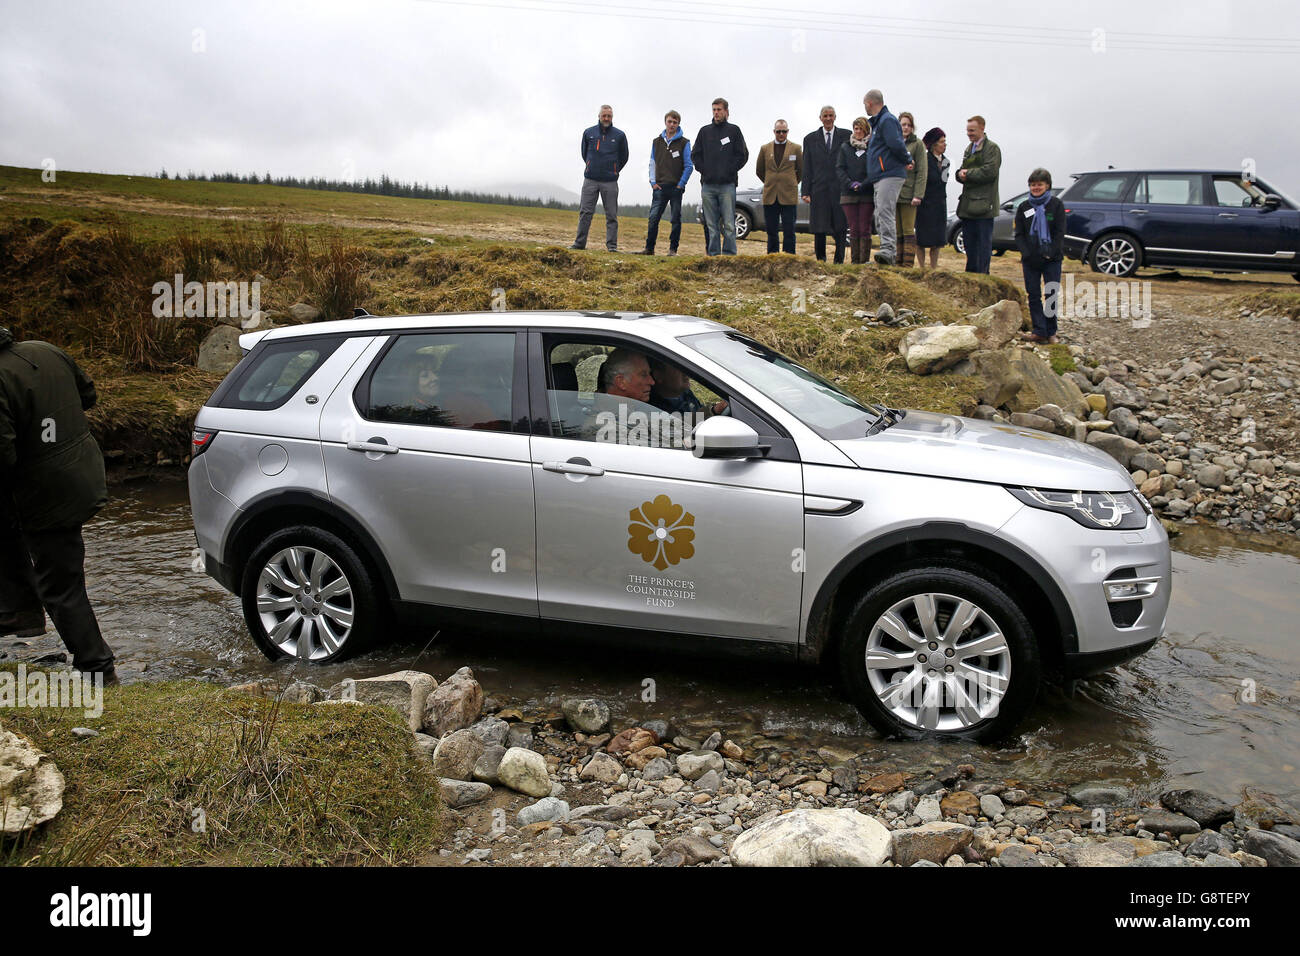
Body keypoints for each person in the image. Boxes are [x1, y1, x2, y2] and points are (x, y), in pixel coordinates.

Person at [0, 327, 116, 683]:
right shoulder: (45, 349)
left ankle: (98, 670)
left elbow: (3, 456)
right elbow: (89, 395)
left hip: (44, 493)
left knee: (60, 584)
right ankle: (19, 619)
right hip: (81, 475)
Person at [585, 349, 686, 448]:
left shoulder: (634, 410)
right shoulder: (599, 426)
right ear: (621, 382)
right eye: (643, 375)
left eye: (649, 374)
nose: (652, 381)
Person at [1014, 168, 1067, 344]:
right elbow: (1019, 234)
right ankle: (1039, 331)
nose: (1036, 188)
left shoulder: (1056, 205)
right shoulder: (1024, 207)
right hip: (1030, 259)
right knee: (1033, 294)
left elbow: (1060, 232)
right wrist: (1026, 253)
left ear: (1047, 185)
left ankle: (1051, 331)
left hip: (1052, 259)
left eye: (1040, 184)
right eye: (1033, 184)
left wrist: (1050, 252)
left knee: (1051, 293)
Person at [693, 98, 749, 256]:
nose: (716, 113)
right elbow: (695, 155)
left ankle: (730, 254)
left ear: (726, 112)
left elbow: (742, 155)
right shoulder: (704, 132)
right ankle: (714, 255)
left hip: (727, 185)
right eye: (714, 110)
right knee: (711, 224)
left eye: (719, 110)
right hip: (708, 185)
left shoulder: (734, 131)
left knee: (729, 224)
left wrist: (729, 170)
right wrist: (704, 170)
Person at [571, 104, 629, 252]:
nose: (606, 118)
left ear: (612, 117)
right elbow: (584, 154)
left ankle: (612, 247)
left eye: (609, 116)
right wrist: (592, 166)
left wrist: (614, 170)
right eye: (604, 115)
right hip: (590, 179)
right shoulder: (588, 133)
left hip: (610, 182)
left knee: (611, 216)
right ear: (599, 116)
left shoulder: (620, 136)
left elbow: (624, 157)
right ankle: (579, 244)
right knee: (585, 213)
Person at [862, 89, 910, 265]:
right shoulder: (878, 122)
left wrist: (907, 159)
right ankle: (885, 252)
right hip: (880, 176)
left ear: (869, 103)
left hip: (889, 174)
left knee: (885, 212)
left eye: (864, 104)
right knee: (880, 213)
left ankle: (889, 252)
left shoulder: (886, 120)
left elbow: (896, 144)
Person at [801, 106, 850, 263]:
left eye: (831, 116)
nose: (828, 118)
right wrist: (805, 191)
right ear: (820, 118)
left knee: (840, 227)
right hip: (819, 189)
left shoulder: (846, 136)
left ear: (835, 117)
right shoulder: (810, 139)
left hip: (839, 189)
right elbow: (807, 166)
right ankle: (820, 259)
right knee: (819, 227)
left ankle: (839, 260)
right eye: (825, 116)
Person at [641, 111, 693, 256]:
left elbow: (689, 166)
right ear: (665, 122)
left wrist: (681, 184)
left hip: (676, 187)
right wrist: (652, 182)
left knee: (675, 219)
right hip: (659, 187)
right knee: (653, 218)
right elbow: (652, 163)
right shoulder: (656, 142)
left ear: (678, 124)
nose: (672, 125)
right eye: (669, 121)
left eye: (675, 122)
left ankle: (672, 250)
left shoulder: (684, 143)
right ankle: (649, 248)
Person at [955, 114, 1002, 274]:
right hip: (968, 206)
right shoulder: (969, 149)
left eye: (972, 130)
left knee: (983, 244)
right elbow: (963, 169)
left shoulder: (992, 149)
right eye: (968, 131)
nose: (969, 134)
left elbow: (990, 172)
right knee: (970, 243)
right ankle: (971, 274)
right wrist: (959, 174)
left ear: (982, 128)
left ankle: (983, 275)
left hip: (984, 206)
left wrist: (968, 174)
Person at [755, 119, 803, 254]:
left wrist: (791, 183)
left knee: (789, 230)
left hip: (789, 196)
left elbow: (801, 170)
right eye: (778, 131)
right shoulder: (765, 149)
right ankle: (772, 256)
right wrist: (771, 182)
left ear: (787, 132)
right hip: (770, 195)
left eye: (784, 131)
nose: (781, 134)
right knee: (771, 230)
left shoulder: (796, 148)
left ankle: (789, 258)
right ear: (774, 132)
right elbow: (759, 170)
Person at [835, 117, 874, 265]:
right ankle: (854, 261)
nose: (858, 132)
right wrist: (850, 184)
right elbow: (840, 168)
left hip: (866, 194)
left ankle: (864, 261)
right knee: (854, 228)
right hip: (848, 194)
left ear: (866, 130)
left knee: (865, 227)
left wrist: (863, 184)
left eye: (860, 129)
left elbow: (875, 169)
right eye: (855, 129)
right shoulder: (845, 147)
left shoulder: (872, 147)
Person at [894, 112, 929, 268]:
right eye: (903, 124)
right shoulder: (893, 142)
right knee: (897, 230)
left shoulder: (918, 144)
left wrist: (918, 195)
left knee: (908, 230)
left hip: (909, 194)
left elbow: (922, 171)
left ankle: (907, 264)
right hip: (893, 192)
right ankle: (897, 262)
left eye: (909, 125)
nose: (906, 128)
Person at [914, 127, 950, 270]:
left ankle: (933, 268)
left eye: (945, 141)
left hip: (940, 204)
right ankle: (922, 268)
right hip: (925, 205)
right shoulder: (925, 159)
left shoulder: (946, 161)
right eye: (942, 142)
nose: (944, 144)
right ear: (934, 144)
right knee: (922, 239)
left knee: (937, 240)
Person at [648, 358, 727, 417]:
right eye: (677, 367)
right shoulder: (653, 409)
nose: (685, 371)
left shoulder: (685, 393)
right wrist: (713, 411)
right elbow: (682, 429)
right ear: (658, 374)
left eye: (684, 365)